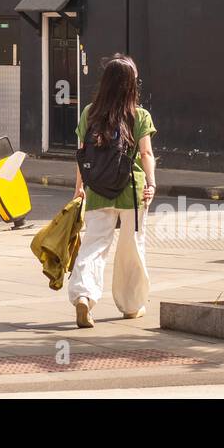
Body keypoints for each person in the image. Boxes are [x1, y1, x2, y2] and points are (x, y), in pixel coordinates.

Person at [69, 54, 157, 328]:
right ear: (131, 85)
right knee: (132, 247)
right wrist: (152, 184)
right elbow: (146, 152)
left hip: (97, 190)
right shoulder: (139, 115)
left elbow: (82, 155)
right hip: (132, 191)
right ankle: (131, 306)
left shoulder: (89, 113)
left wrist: (79, 190)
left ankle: (84, 295)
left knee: (94, 245)